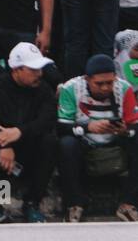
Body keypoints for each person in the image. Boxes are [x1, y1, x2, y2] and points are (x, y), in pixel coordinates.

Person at [0, 42, 57, 224]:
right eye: (33, 70)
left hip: (29, 146)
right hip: (0, 148)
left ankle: (32, 203)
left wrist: (20, 132)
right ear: (17, 69)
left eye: (40, 69)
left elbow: (47, 119)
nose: (39, 74)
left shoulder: (43, 89)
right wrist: (5, 143)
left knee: (49, 142)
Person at [57, 53, 138, 223]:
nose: (105, 88)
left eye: (109, 82)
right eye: (99, 84)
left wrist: (126, 130)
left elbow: (134, 123)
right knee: (66, 144)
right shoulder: (70, 88)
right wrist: (87, 127)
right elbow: (62, 126)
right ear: (87, 79)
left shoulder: (124, 88)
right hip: (84, 140)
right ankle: (74, 204)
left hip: (115, 139)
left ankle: (128, 203)